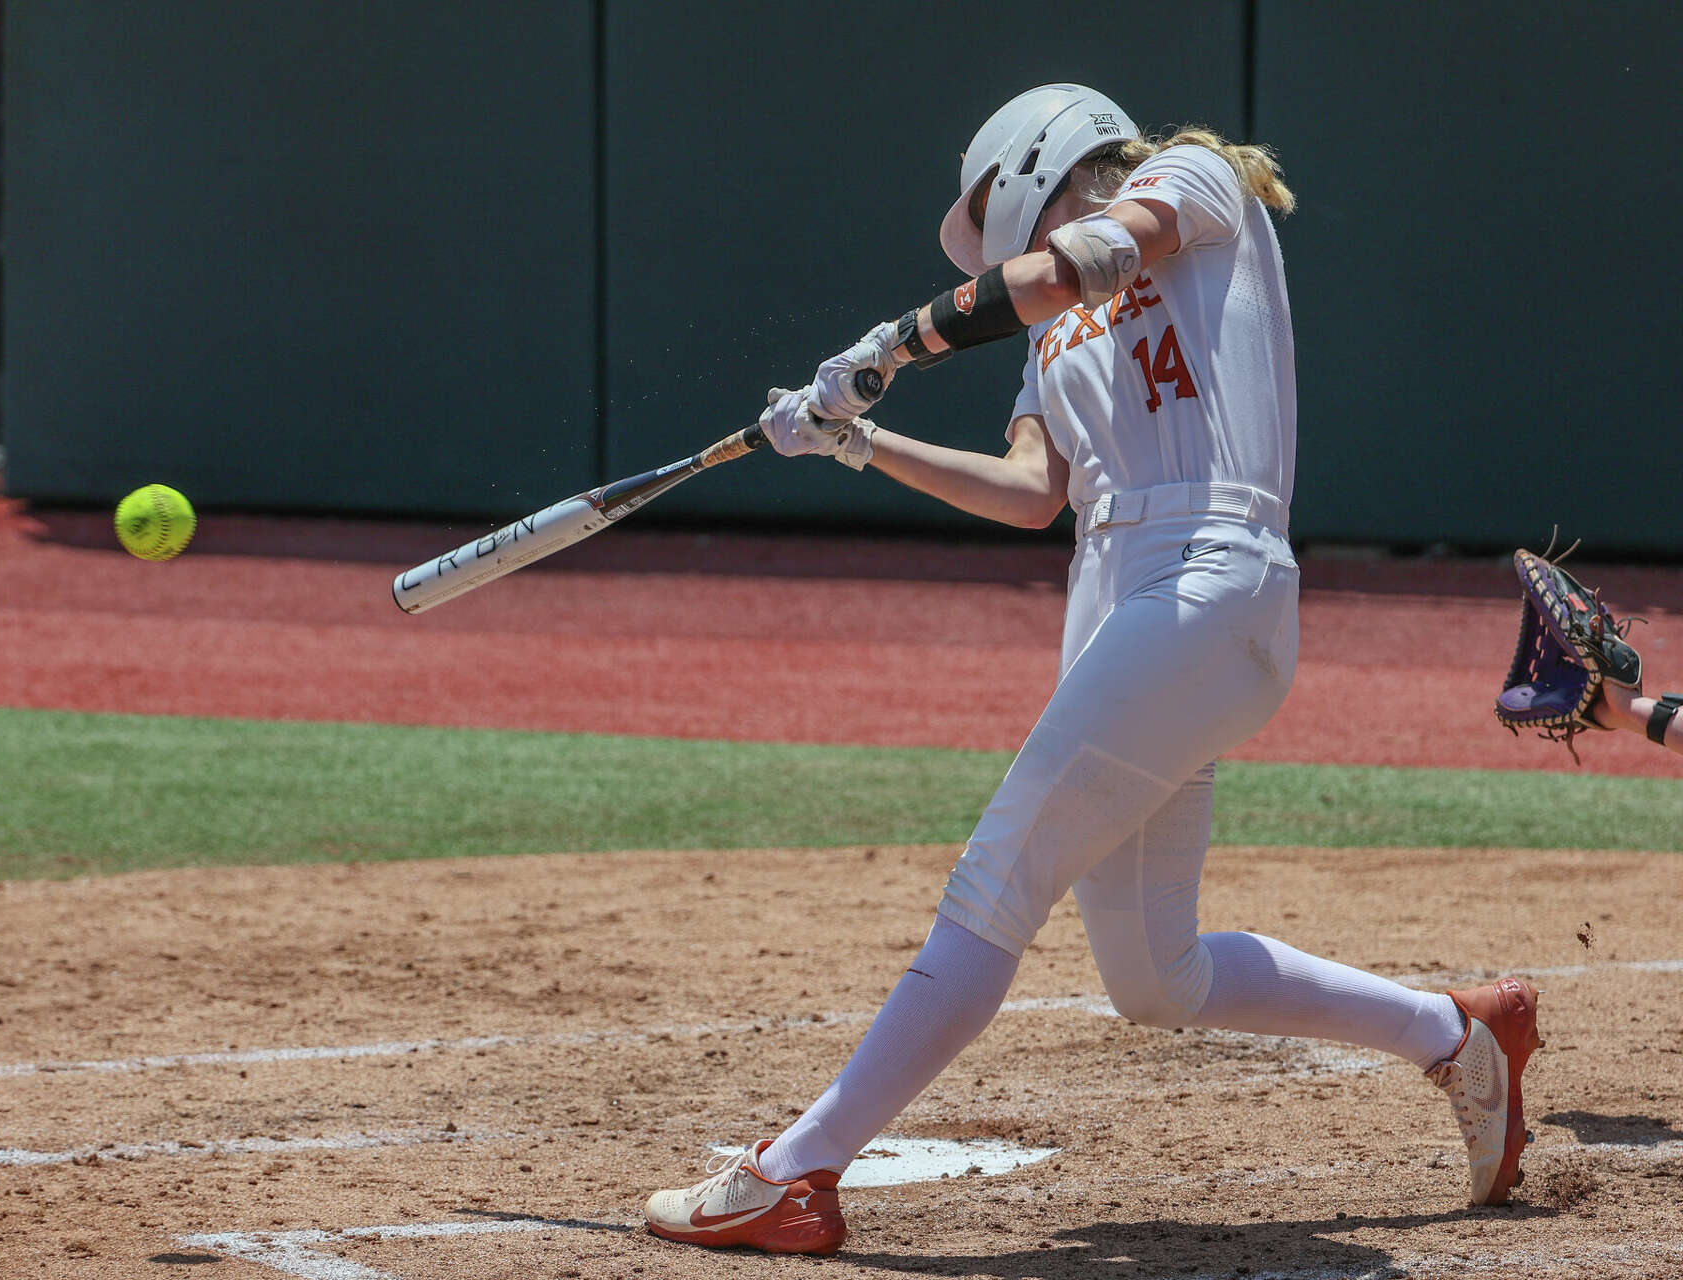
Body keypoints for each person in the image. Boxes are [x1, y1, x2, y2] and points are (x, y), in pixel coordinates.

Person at [643, 84, 1543, 1256]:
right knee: (1154, 975)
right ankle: (1459, 1033)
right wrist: (857, 440)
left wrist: (892, 345)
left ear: (1031, 166)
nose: (996, 241)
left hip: (1208, 583)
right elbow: (1030, 493)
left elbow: (1072, 267)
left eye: (994, 213)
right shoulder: (1049, 331)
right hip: (1119, 608)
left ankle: (794, 1169)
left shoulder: (1190, 180)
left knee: (994, 883)